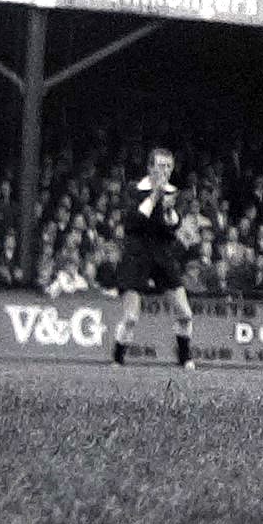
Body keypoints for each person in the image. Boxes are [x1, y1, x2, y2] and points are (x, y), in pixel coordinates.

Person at [112, 145, 197, 368]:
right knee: (131, 317)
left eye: (169, 166)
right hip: (136, 255)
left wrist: (168, 209)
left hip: (162, 256)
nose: (165, 170)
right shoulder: (133, 189)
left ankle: (185, 358)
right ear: (150, 168)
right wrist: (155, 196)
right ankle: (118, 359)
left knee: (185, 314)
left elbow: (173, 226)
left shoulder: (174, 194)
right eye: (160, 165)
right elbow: (133, 221)